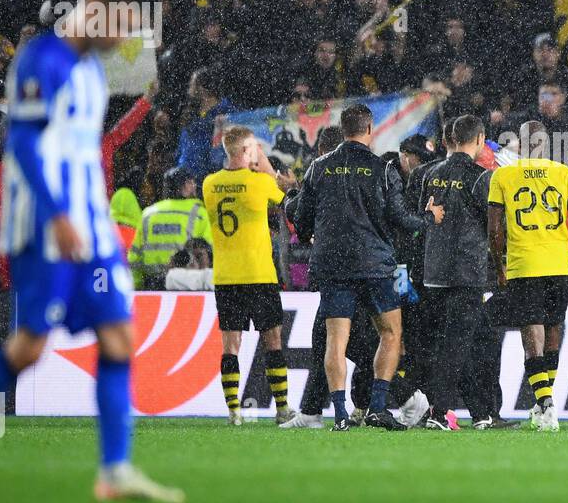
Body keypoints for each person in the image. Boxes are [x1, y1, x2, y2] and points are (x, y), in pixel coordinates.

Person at [0, 0, 183, 503]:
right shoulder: (43, 59)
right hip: (44, 225)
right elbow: (26, 146)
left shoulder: (90, 72)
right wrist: (58, 214)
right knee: (30, 346)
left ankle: (114, 469)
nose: (125, 37)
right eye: (124, 23)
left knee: (119, 337)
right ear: (98, 9)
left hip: (91, 226)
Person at [286, 104, 443, 431]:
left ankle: (341, 414)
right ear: (370, 129)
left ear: (343, 129)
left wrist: (310, 231)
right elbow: (402, 220)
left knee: (336, 341)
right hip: (374, 266)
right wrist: (430, 217)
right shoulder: (382, 169)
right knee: (390, 333)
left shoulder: (318, 167)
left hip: (332, 266)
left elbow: (299, 218)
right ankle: (377, 407)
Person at [487, 119, 568, 431]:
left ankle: (545, 403)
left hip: (524, 265)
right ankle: (545, 404)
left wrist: (500, 268)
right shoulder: (564, 174)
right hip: (558, 266)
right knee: (553, 331)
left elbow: (495, 230)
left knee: (531, 338)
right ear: (546, 144)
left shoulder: (504, 176)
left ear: (521, 145)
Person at [417, 114, 513, 429]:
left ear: (451, 139)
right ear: (480, 138)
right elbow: (495, 226)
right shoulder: (480, 177)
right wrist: (500, 264)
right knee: (457, 346)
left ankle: (483, 413)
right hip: (467, 273)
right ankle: (438, 413)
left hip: (433, 273)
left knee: (466, 342)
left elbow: (422, 219)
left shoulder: (429, 174)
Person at [202, 126, 297, 426]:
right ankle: (282, 408)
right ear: (245, 152)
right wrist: (267, 166)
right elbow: (287, 199)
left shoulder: (209, 183)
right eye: (254, 147)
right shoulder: (258, 184)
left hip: (226, 276)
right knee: (273, 341)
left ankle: (234, 412)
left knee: (230, 345)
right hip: (258, 274)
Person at [128, 166, 211, 289]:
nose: (194, 186)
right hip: (186, 285)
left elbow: (134, 257)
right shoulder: (199, 213)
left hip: (152, 286)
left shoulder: (148, 214)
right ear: (186, 185)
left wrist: (137, 286)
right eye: (192, 182)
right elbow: (209, 253)